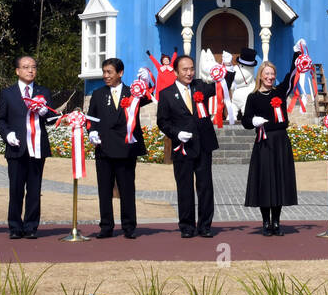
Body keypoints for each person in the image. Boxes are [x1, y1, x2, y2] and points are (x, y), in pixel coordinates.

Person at [156, 54, 219, 237]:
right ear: (176, 71)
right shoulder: (166, 94)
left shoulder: (200, 86)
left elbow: (222, 86)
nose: (189, 73)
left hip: (203, 144)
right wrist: (176, 133)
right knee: (184, 187)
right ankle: (187, 226)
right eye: (185, 69)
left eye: (192, 68)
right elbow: (163, 121)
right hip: (182, 147)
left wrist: (228, 69)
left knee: (205, 187)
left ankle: (205, 226)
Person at [87, 57, 146, 238]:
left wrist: (147, 81)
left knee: (127, 188)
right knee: (104, 190)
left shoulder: (133, 92)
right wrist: (91, 132)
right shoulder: (98, 94)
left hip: (126, 148)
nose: (106, 76)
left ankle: (129, 227)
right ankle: (106, 226)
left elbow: (151, 95)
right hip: (104, 149)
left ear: (120, 73)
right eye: (104, 72)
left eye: (109, 72)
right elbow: (91, 119)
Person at [0, 56, 52, 239]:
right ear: (17, 71)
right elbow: (1, 119)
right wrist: (8, 135)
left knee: (35, 189)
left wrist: (44, 112)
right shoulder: (8, 93)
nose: (30, 71)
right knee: (16, 189)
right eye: (26, 67)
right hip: (16, 147)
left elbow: (49, 118)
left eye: (33, 67)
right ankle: (14, 226)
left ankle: (31, 226)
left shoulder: (43, 91)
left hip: (37, 147)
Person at [240, 60, 298, 234]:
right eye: (267, 74)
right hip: (264, 142)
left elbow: (291, 75)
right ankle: (266, 222)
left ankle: (277, 222)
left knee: (279, 181)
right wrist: (253, 121)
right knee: (265, 181)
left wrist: (296, 55)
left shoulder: (279, 92)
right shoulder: (253, 97)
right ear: (260, 76)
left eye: (272, 74)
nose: (270, 77)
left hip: (280, 142)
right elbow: (245, 122)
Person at [229, 47, 258, 116]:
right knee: (232, 114)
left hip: (245, 98)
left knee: (246, 113)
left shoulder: (247, 71)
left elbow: (237, 79)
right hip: (235, 99)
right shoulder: (246, 70)